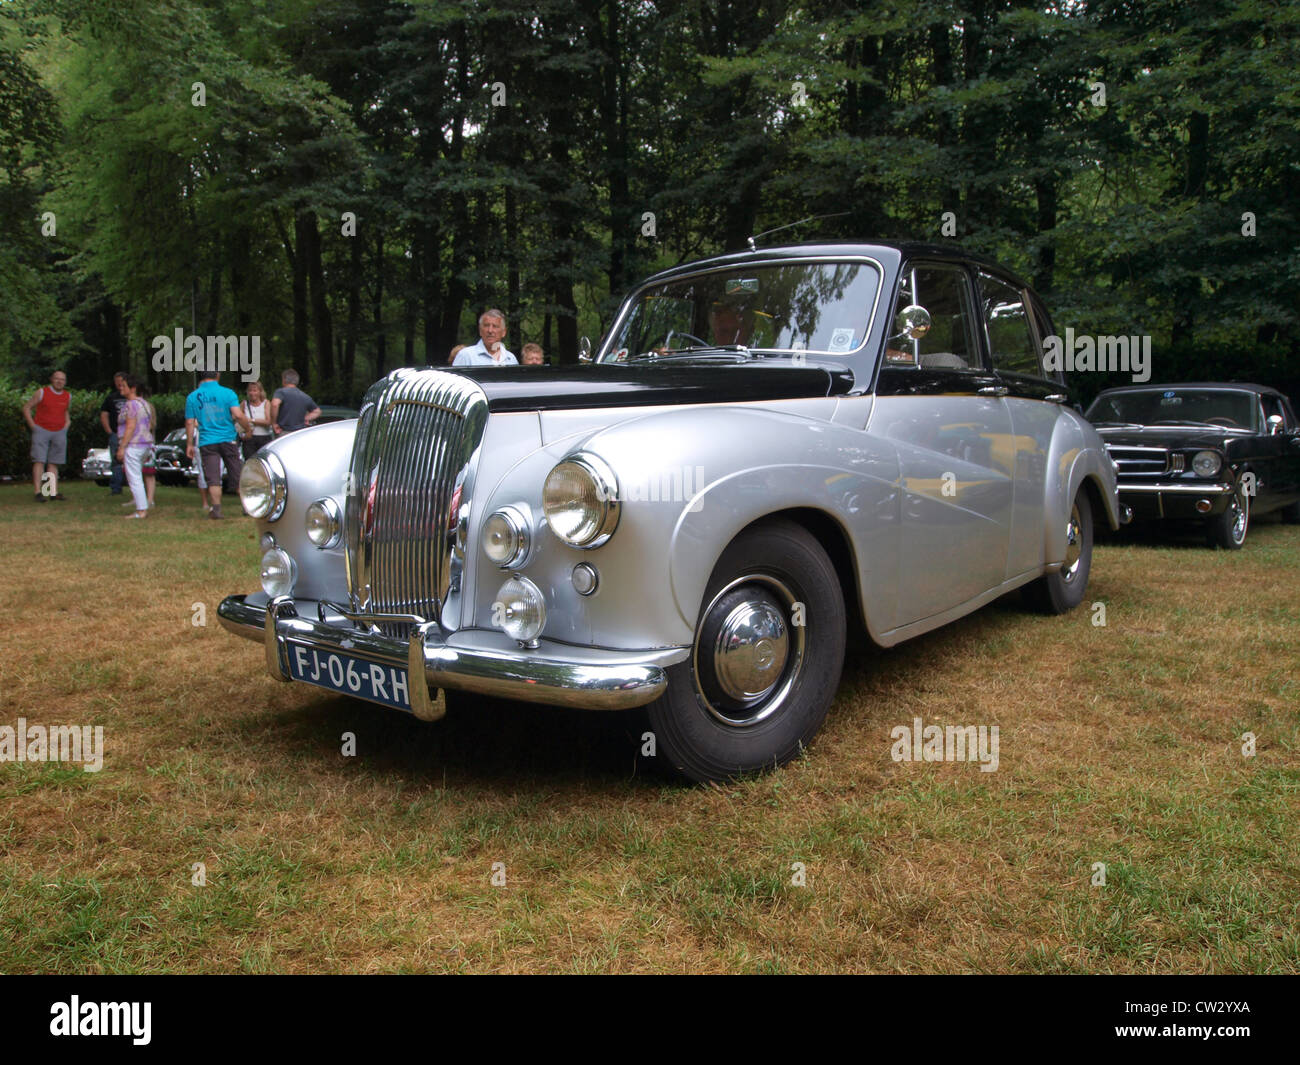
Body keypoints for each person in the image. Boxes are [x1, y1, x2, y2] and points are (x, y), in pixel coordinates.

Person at [185, 370, 250, 520]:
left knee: (213, 477)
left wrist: (189, 444)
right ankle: (247, 507)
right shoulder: (228, 393)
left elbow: (189, 422)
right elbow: (239, 415)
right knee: (237, 472)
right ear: (218, 375)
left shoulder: (193, 397)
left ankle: (216, 510)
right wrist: (247, 429)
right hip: (228, 439)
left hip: (207, 441)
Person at [22, 369, 71, 502]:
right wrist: (33, 426)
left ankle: (52, 491)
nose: (59, 381)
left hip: (59, 431)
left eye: (62, 379)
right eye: (57, 378)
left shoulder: (67, 396)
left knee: (54, 462)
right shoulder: (42, 392)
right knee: (39, 460)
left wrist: (67, 424)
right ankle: (38, 492)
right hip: (42, 430)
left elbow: (65, 411)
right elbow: (27, 408)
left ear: (65, 382)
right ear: (52, 379)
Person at [115, 374, 155, 519]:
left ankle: (141, 510)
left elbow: (130, 427)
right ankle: (143, 506)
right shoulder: (144, 404)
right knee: (137, 476)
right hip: (145, 444)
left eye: (124, 385)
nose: (121, 387)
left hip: (134, 444)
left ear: (132, 388)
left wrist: (122, 447)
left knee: (134, 478)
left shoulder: (131, 404)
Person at [451, 309, 517, 366]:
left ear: (504, 332)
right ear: (480, 330)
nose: (490, 330)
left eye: (495, 326)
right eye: (486, 325)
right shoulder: (466, 356)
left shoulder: (511, 359)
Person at [99, 372, 128, 495]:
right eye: (117, 382)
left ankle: (135, 487)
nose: (119, 384)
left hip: (132, 435)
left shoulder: (132, 397)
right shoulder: (111, 398)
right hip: (116, 434)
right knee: (116, 461)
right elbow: (104, 414)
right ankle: (116, 488)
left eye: (121, 381)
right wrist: (109, 431)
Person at [270, 369, 320, 435]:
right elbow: (317, 411)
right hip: (300, 433)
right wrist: (305, 418)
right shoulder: (305, 396)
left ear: (284, 380)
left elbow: (275, 404)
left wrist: (274, 423)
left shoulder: (281, 392)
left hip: (284, 432)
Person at [239, 381, 274, 458]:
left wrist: (251, 420)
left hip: (264, 438)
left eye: (255, 390)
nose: (252, 393)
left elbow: (268, 422)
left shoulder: (266, 403)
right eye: (250, 390)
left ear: (260, 392)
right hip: (249, 438)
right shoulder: (244, 404)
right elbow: (238, 420)